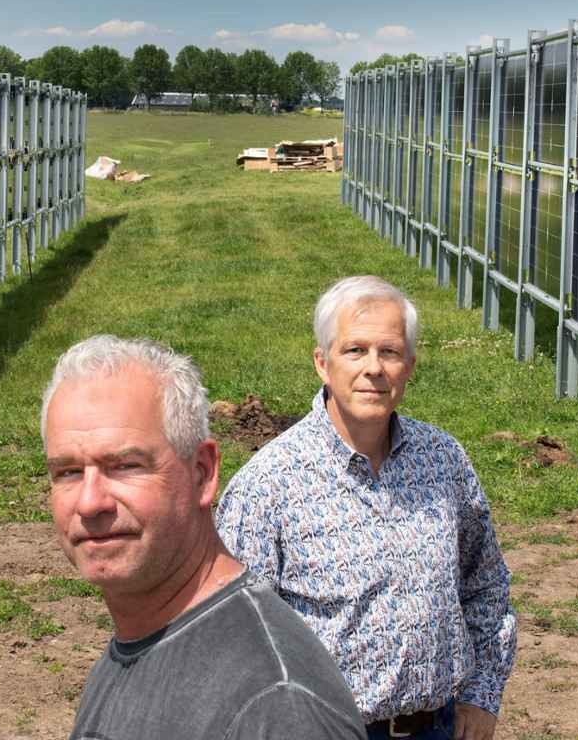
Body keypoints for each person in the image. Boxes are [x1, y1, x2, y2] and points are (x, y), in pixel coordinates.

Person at [217, 276, 517, 740]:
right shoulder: (269, 485)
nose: (373, 368)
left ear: (409, 366)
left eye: (389, 352)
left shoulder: (443, 460)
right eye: (355, 350)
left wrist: (481, 695)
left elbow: (486, 585)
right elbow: (234, 635)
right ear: (323, 363)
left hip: (437, 727)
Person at [42, 335, 363, 740]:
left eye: (125, 466)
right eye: (68, 472)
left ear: (203, 473)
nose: (90, 503)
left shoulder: (274, 705)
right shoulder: (139, 639)